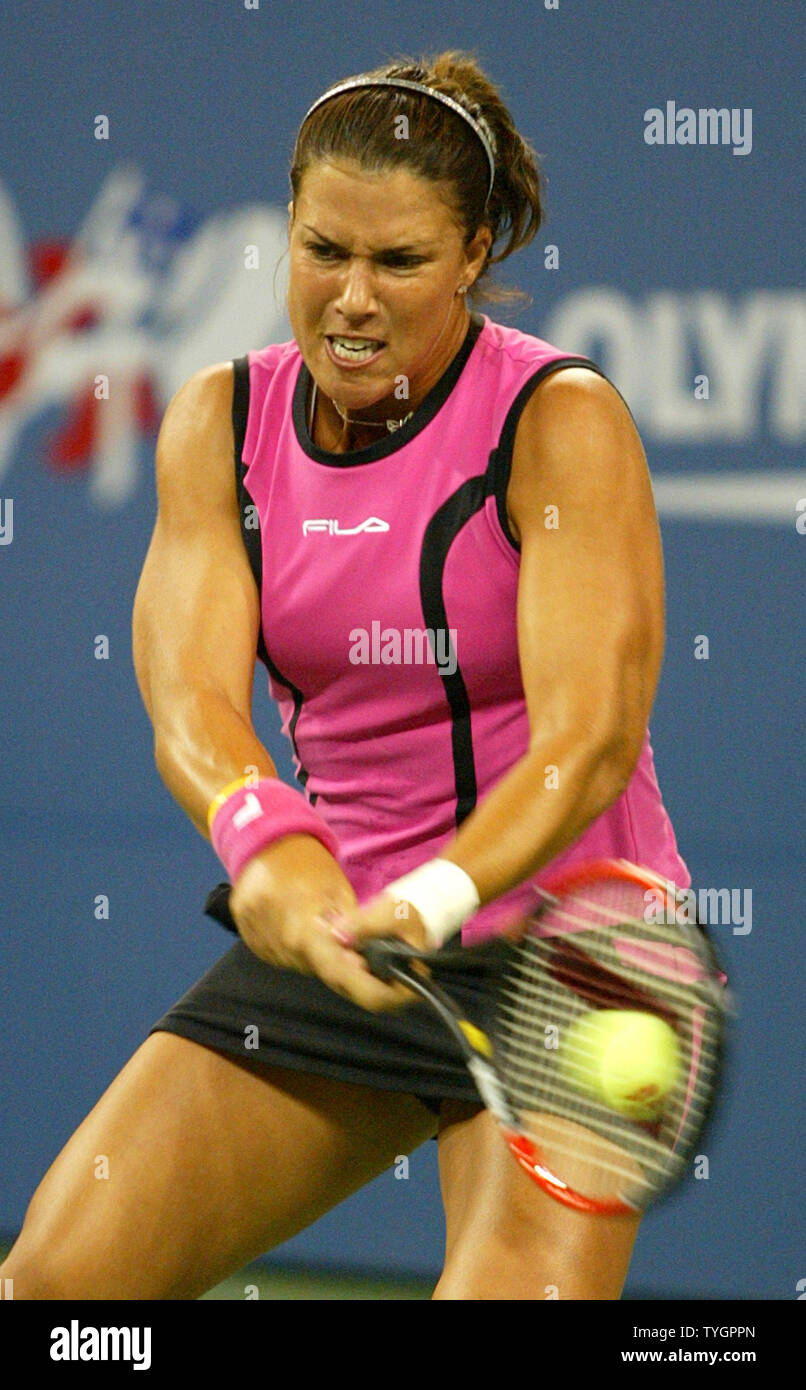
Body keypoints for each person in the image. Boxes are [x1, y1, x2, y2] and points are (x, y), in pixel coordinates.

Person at [0, 51, 691, 1301]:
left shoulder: (558, 419)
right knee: (57, 1288)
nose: (351, 299)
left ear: (474, 252)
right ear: (285, 230)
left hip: (571, 951)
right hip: (349, 934)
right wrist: (262, 834)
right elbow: (191, 697)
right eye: (323, 249)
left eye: (400, 263)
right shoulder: (222, 419)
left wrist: (437, 893)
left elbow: (588, 740)